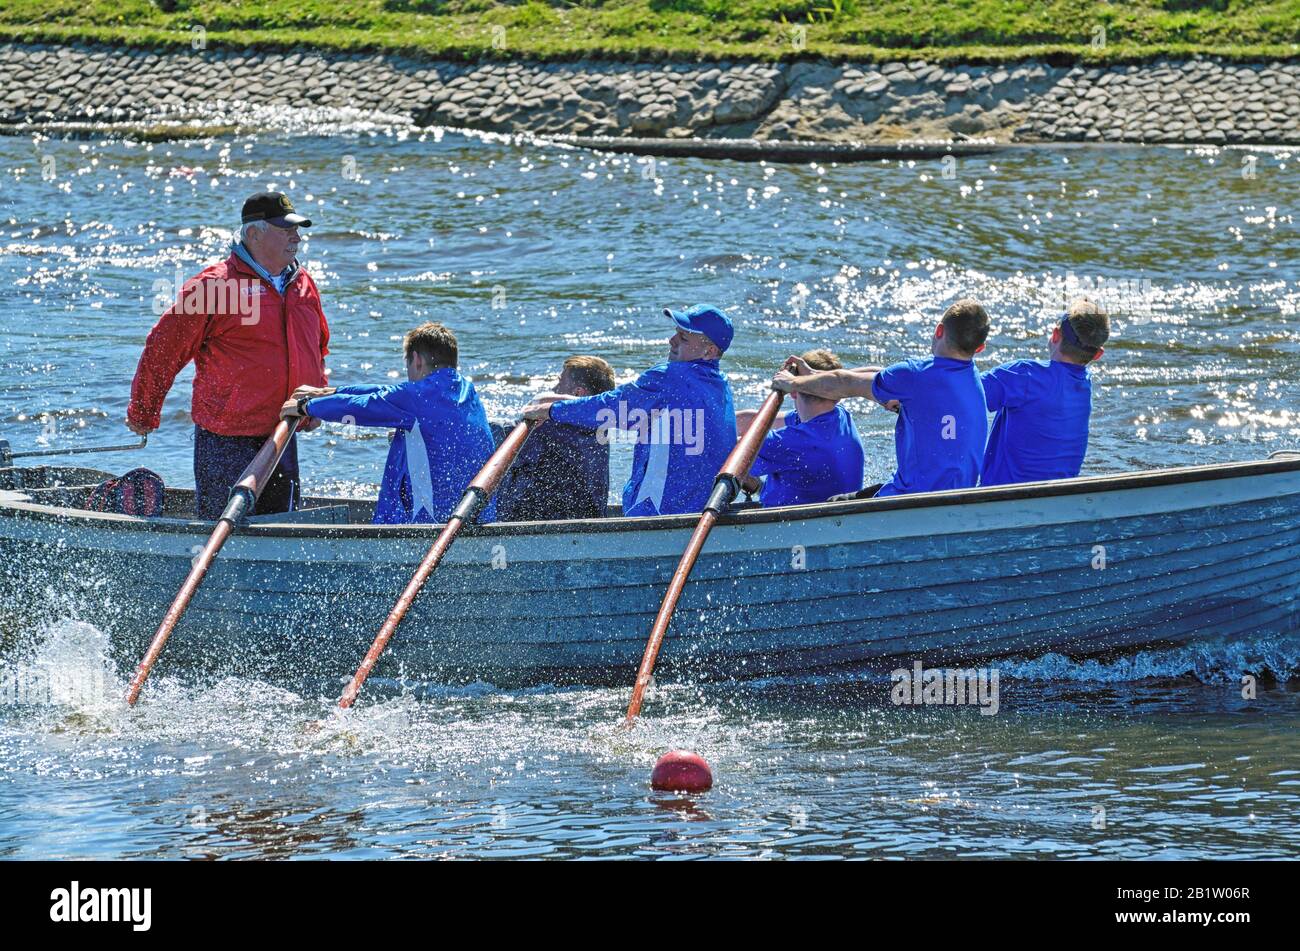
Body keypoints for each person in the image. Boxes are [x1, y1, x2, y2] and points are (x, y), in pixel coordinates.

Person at [126, 191, 329, 519]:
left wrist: (315, 403)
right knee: (224, 526)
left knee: (282, 527)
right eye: (285, 229)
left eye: (298, 229)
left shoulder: (303, 283)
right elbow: (163, 350)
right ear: (253, 234)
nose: (296, 237)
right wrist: (143, 413)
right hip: (226, 440)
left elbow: (317, 346)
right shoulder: (213, 287)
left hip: (282, 432)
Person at [521, 304, 737, 517]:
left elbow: (610, 408)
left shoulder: (670, 376)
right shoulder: (721, 385)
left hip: (660, 511)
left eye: (683, 337)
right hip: (706, 508)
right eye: (676, 333)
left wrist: (551, 410)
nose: (671, 340)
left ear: (709, 351)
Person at [280, 322, 497, 525]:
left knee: (406, 438)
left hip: (433, 524)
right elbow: (384, 393)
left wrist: (307, 407)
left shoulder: (416, 396)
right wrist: (330, 392)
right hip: (477, 517)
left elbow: (361, 407)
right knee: (410, 435)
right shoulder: (467, 390)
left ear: (417, 360)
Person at [772, 298, 991, 498]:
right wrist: (816, 375)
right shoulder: (973, 379)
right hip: (961, 496)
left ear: (939, 330)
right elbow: (882, 375)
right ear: (979, 348)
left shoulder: (914, 374)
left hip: (912, 499)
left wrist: (793, 383)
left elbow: (845, 384)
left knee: (833, 504)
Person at [980, 298, 1110, 487]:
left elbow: (963, 392)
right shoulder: (1084, 384)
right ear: (1097, 355)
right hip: (1057, 498)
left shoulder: (1024, 375)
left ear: (1055, 335)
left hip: (1001, 496)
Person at [736, 349, 865, 506]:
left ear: (793, 392)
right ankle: (759, 487)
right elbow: (752, 420)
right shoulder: (841, 416)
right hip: (834, 516)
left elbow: (726, 449)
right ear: (838, 395)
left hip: (788, 524)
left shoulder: (791, 443)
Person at [495, 356, 616, 522]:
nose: (554, 388)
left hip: (539, 525)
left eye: (560, 382)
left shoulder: (555, 424)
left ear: (578, 393)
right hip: (587, 517)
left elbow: (497, 438)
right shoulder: (600, 423)